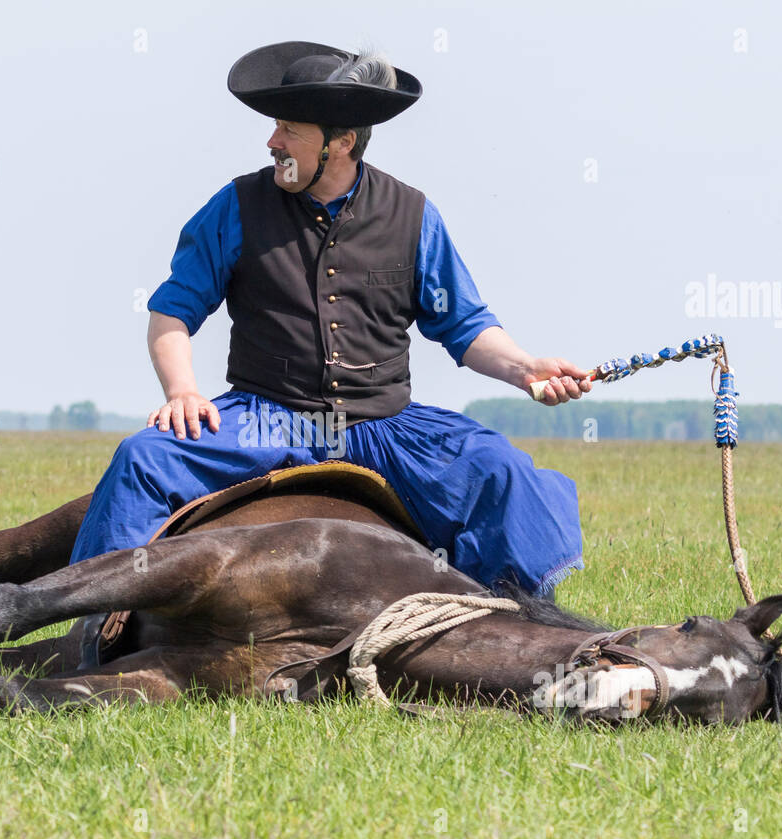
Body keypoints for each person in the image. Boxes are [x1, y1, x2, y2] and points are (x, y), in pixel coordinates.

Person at [71, 41, 591, 598]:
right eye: (275, 126)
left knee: (502, 471)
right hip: (265, 419)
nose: (272, 141)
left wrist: (526, 367)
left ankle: (515, 625)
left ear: (341, 142)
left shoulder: (413, 213)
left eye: (289, 128)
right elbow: (170, 312)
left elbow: (464, 326)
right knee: (143, 459)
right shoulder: (236, 206)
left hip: (385, 427)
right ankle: (98, 623)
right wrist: (182, 392)